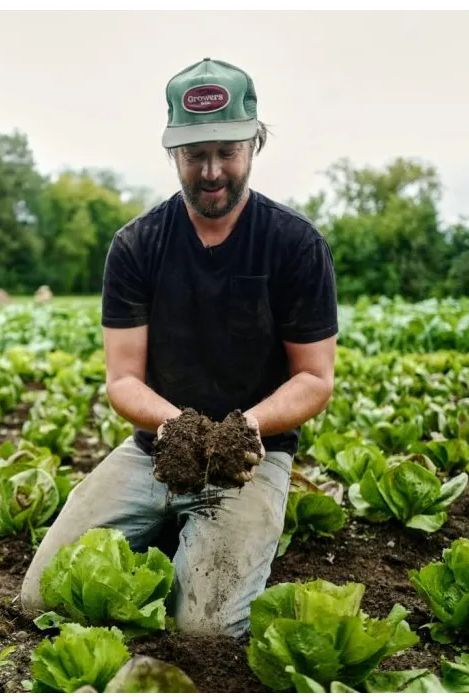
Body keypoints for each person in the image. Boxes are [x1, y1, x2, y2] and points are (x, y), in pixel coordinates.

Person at [19, 57, 338, 639]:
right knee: (45, 595)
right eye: (195, 155)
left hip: (251, 460)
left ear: (254, 144)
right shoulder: (137, 245)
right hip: (153, 451)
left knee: (205, 632)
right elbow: (123, 380)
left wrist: (247, 428)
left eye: (227, 151)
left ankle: (215, 537)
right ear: (174, 154)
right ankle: (174, 529)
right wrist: (175, 427)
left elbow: (314, 378)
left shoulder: (295, 245)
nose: (212, 171)